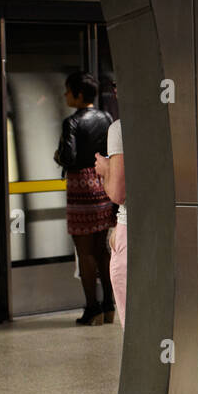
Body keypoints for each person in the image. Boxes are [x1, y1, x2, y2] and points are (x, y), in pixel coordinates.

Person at [55, 71, 116, 325]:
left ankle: (92, 308)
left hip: (81, 187)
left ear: (79, 95)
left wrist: (58, 155)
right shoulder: (106, 117)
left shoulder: (71, 122)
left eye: (68, 91)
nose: (65, 95)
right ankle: (109, 305)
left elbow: (68, 157)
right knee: (103, 249)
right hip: (103, 182)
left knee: (85, 250)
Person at [94, 113, 126, 328]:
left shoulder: (120, 129)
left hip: (132, 230)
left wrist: (106, 171)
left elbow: (118, 193)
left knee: (135, 325)